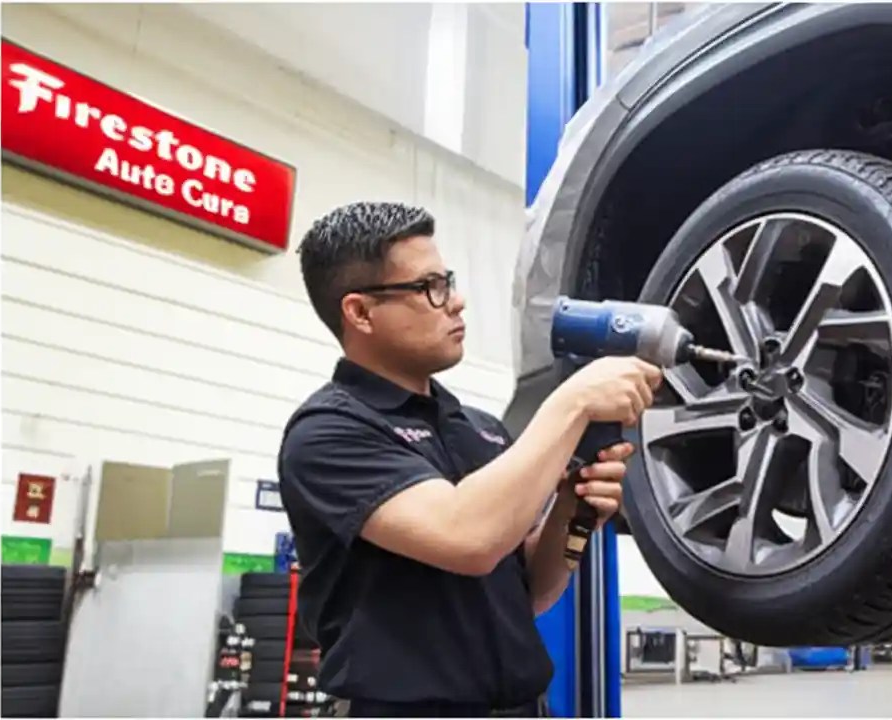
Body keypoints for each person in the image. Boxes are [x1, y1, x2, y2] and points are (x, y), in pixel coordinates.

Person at [277, 201, 663, 718]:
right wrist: (572, 401)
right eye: (429, 287)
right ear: (360, 312)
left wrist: (570, 514)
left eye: (449, 281)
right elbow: (468, 538)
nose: (455, 302)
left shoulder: (478, 428)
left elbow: (527, 593)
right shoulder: (329, 434)